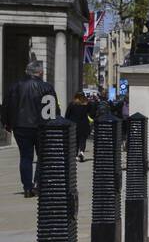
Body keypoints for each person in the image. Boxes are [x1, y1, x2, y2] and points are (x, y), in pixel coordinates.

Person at [2, 60, 60, 197]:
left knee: (25, 157)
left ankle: (27, 187)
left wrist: (7, 123)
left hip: (21, 126)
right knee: (43, 157)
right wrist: (55, 123)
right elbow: (54, 110)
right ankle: (39, 183)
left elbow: (6, 106)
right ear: (40, 72)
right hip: (42, 126)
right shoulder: (46, 87)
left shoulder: (15, 86)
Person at [66, 92, 92, 162]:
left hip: (74, 124)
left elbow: (67, 115)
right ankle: (82, 152)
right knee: (83, 140)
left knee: (75, 140)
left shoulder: (72, 104)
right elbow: (91, 113)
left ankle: (75, 155)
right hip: (84, 124)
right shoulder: (86, 104)